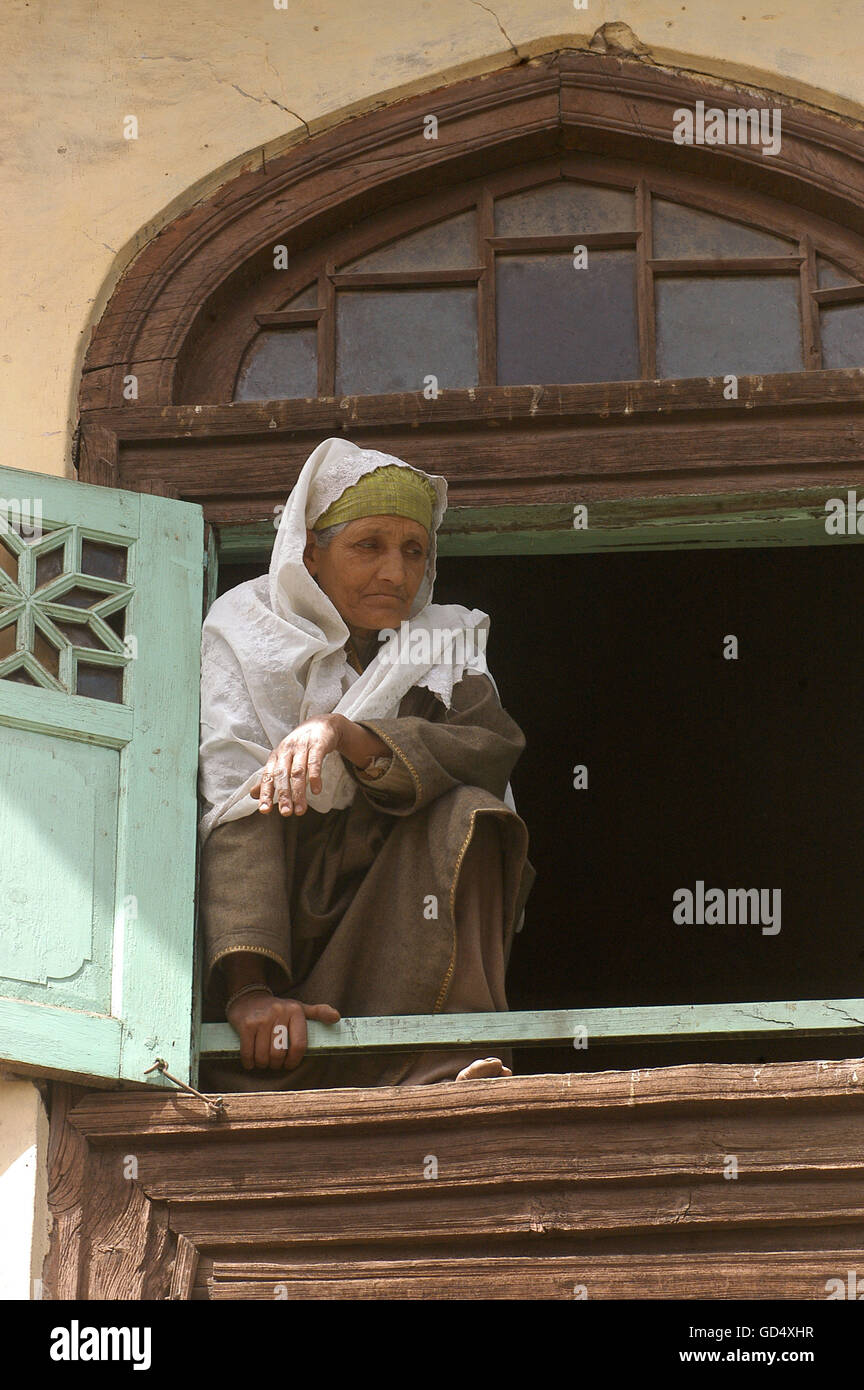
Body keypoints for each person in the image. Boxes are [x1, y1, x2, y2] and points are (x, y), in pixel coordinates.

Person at [197, 435, 535, 1091]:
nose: (395, 573)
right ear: (310, 553)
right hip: (292, 925)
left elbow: (489, 747)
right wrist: (248, 991)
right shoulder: (247, 628)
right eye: (368, 546)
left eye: (413, 550)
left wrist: (346, 735)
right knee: (266, 790)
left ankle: (453, 1050)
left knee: (473, 811)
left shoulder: (444, 639)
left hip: (400, 911)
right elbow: (236, 804)